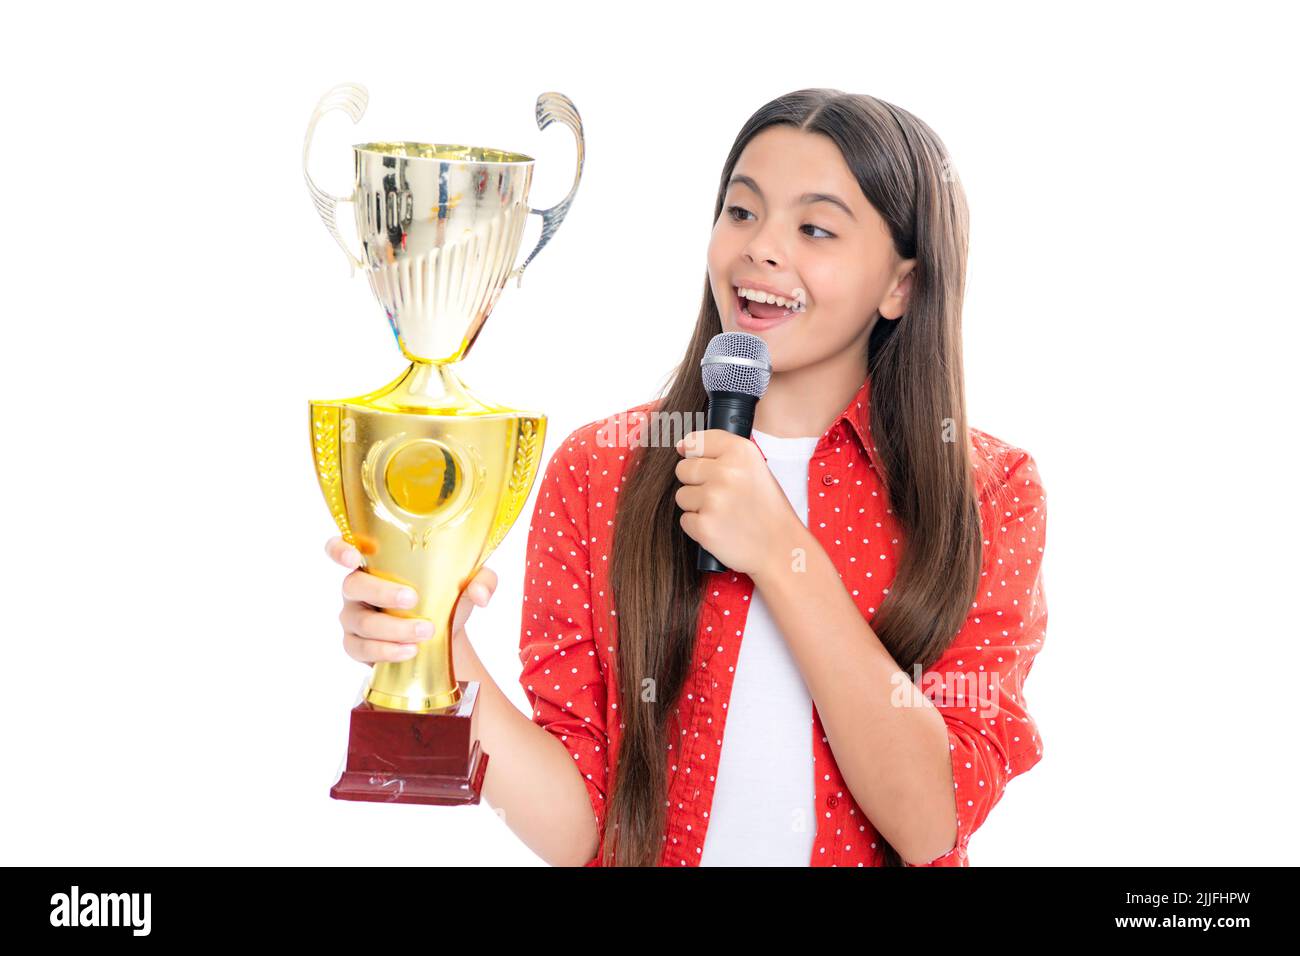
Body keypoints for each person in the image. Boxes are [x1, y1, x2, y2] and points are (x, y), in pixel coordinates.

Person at [326, 88, 1049, 868]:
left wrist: (779, 550)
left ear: (900, 284)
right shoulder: (601, 469)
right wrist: (437, 638)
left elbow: (927, 820)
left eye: (814, 227)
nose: (761, 249)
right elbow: (580, 829)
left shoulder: (987, 492)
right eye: (742, 212)